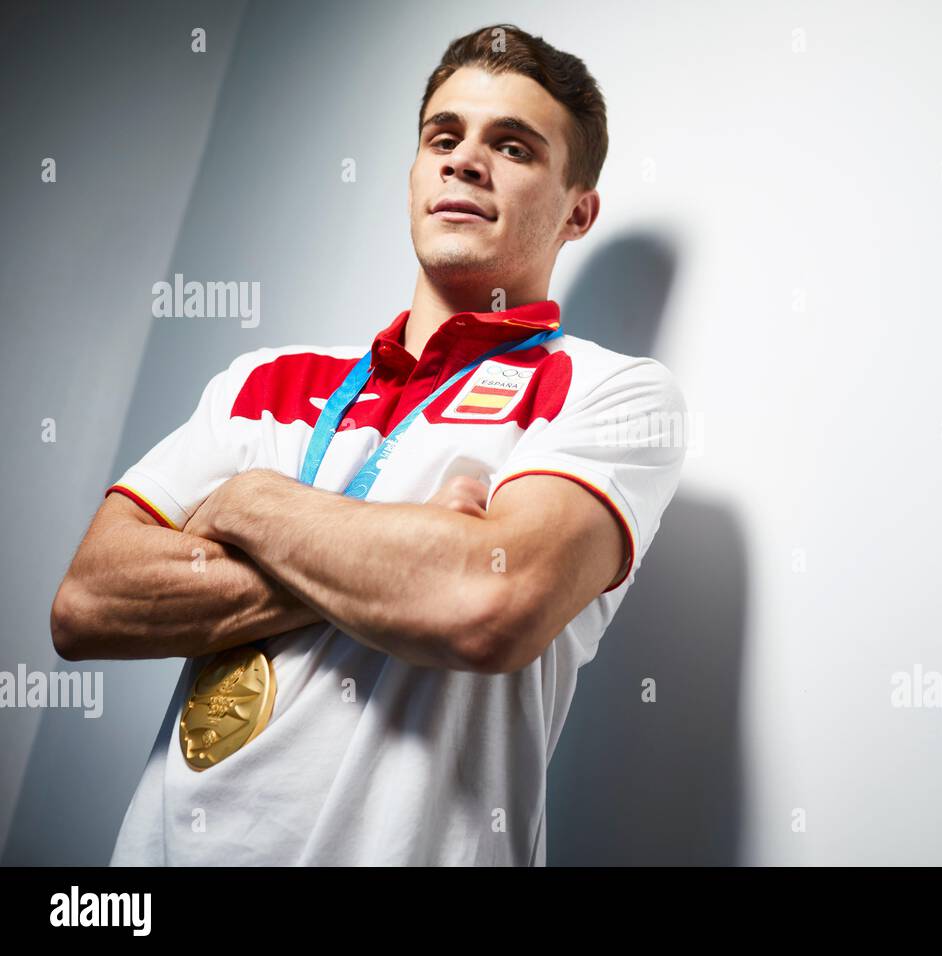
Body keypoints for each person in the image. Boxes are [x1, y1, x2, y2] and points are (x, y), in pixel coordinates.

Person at [49, 23, 687, 866]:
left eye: (514, 146)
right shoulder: (265, 378)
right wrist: (412, 545)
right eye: (443, 137)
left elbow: (484, 605)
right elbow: (87, 604)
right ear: (417, 170)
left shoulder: (614, 394)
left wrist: (248, 503)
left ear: (579, 211)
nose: (463, 161)